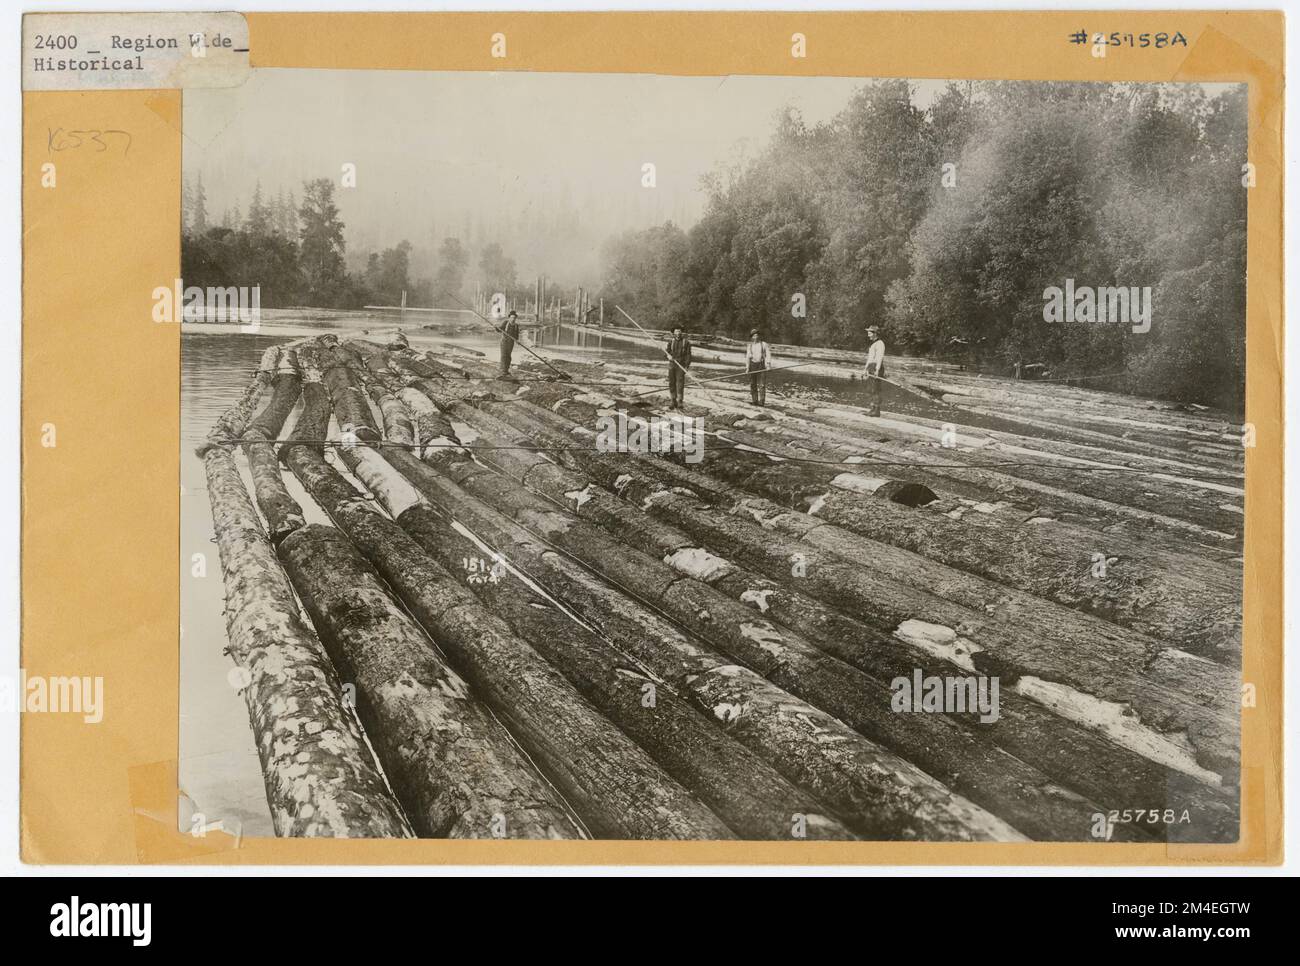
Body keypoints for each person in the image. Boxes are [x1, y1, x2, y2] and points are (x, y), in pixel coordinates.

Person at [665, 324, 692, 409]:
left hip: (681, 366)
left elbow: (688, 355)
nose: (678, 333)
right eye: (676, 331)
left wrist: (687, 366)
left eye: (680, 331)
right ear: (674, 333)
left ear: (681, 332)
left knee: (680, 384)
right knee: (671, 383)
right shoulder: (671, 342)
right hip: (672, 365)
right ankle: (673, 400)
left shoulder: (686, 342)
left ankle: (680, 401)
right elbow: (667, 352)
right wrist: (668, 356)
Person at [863, 325, 886, 416]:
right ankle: (872, 409)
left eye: (870, 332)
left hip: (876, 367)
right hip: (871, 367)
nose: (868, 334)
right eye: (868, 332)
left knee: (876, 389)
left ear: (875, 333)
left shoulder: (880, 343)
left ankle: (876, 411)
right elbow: (870, 358)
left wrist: (877, 369)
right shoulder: (873, 344)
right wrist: (865, 368)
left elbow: (880, 357)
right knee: (870, 389)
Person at [746, 328, 771, 405]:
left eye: (757, 335)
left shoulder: (764, 344)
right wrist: (747, 368)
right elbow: (747, 357)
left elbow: (768, 355)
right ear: (752, 337)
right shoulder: (749, 346)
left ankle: (762, 402)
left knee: (762, 385)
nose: (756, 337)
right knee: (753, 384)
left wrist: (768, 365)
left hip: (761, 365)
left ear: (759, 336)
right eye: (754, 335)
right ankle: (755, 401)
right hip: (752, 365)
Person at [498, 310, 522, 377]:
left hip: (511, 343)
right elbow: (500, 329)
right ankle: (503, 371)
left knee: (508, 356)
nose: (513, 319)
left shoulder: (516, 326)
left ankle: (506, 370)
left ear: (515, 318)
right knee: (504, 356)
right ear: (509, 318)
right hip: (504, 342)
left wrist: (517, 341)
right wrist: (496, 328)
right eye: (511, 317)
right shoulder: (506, 323)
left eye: (514, 318)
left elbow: (516, 335)